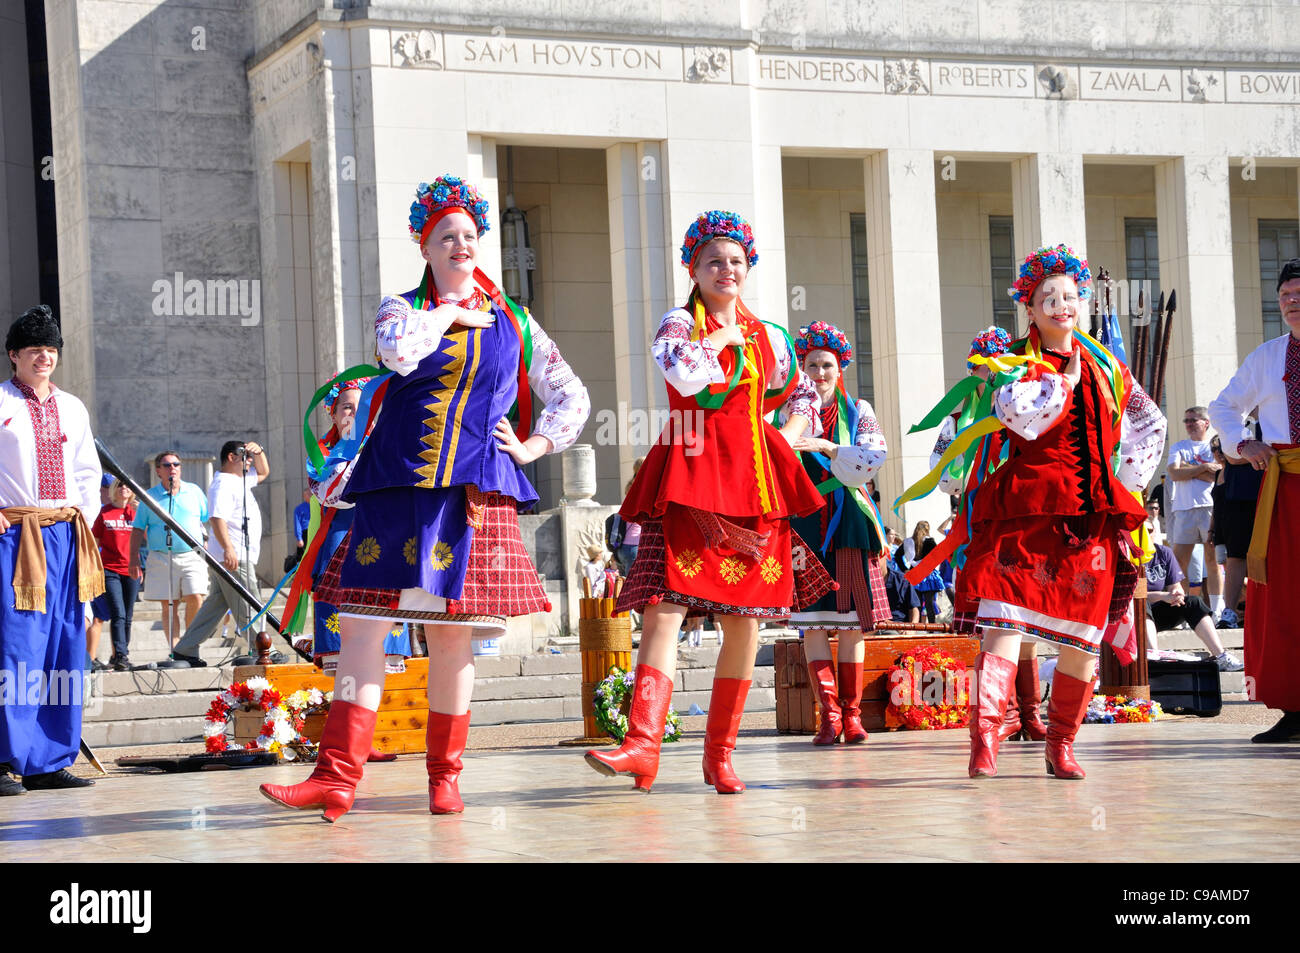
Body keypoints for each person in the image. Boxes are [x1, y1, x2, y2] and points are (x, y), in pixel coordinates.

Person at [261, 174, 590, 821]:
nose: (461, 245)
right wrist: (447, 313)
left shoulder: (517, 323)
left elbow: (570, 392)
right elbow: (395, 351)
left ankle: (444, 778)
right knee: (360, 627)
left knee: (451, 640)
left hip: (470, 494)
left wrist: (533, 445)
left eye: (469, 235)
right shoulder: (402, 309)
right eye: (447, 236)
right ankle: (335, 775)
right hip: (394, 487)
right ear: (425, 245)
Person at [586, 210, 832, 794]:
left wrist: (794, 426)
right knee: (665, 606)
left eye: (737, 261)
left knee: (746, 622)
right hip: (693, 473)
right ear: (692, 270)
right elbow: (687, 377)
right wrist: (721, 337)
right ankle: (643, 743)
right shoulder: (679, 324)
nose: (727, 270)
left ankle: (719, 754)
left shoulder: (768, 333)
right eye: (714, 261)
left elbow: (803, 389)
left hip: (751, 479)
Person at [901, 245, 1166, 779]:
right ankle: (985, 742)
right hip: (1024, 513)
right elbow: (1020, 418)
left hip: (1087, 518)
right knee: (1005, 627)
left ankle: (1061, 744)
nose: (1062, 305)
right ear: (1030, 307)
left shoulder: (1108, 366)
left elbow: (1151, 422)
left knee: (1084, 640)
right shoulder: (1014, 364)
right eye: (1049, 297)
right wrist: (1062, 381)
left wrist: (1127, 488)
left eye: (1070, 296)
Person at [0, 304, 104, 795]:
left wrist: (81, 520)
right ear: (13, 355)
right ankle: (4, 758)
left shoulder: (73, 407)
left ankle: (47, 759)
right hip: (15, 536)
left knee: (65, 644)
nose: (44, 356)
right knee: (17, 645)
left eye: (51, 349)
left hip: (66, 533)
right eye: (34, 349)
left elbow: (88, 473)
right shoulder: (1, 403)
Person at [1208, 257, 1300, 742]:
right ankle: (1293, 706)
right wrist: (1244, 444)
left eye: (1299, 295)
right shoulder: (1267, 357)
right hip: (1283, 488)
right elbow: (1223, 406)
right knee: (1282, 590)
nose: (1291, 304)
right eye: (1286, 296)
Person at [786, 321, 889, 746]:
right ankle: (827, 716)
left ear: (839, 367)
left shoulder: (856, 410)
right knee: (812, 624)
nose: (820, 373)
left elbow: (872, 457)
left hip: (846, 519)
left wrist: (827, 448)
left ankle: (852, 716)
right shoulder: (789, 413)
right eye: (811, 365)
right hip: (805, 521)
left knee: (850, 624)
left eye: (827, 365)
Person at [167, 439, 269, 667]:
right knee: (248, 599)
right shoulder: (223, 483)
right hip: (232, 554)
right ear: (232, 458)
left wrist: (258, 450)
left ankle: (186, 648)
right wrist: (228, 549)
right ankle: (259, 648)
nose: (250, 462)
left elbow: (264, 472)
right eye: (246, 457)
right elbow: (216, 518)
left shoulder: (239, 480)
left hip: (234, 553)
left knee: (215, 605)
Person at [1141, 500, 1243, 670]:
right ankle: (1154, 657)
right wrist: (1163, 596)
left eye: (1150, 530)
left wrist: (1176, 594)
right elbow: (1131, 595)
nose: (1148, 534)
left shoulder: (1163, 553)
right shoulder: (1129, 555)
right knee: (1141, 603)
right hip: (1133, 615)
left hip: (1159, 611)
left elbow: (1176, 586)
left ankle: (1221, 656)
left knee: (1193, 602)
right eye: (1143, 531)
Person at [129, 451, 210, 652]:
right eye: (167, 465)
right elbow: (138, 528)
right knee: (169, 604)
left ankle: (190, 645)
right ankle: (175, 648)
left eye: (176, 464)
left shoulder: (194, 491)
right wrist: (133, 559)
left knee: (195, 597)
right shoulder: (150, 496)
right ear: (158, 470)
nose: (172, 468)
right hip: (162, 555)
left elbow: (204, 519)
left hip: (193, 554)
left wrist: (209, 543)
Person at [1166, 406, 1224, 618]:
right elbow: (1174, 473)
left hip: (1210, 507)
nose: (1189, 424)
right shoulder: (1179, 446)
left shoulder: (1214, 446)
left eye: (1193, 420)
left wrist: (1189, 468)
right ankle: (1180, 611)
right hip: (1184, 509)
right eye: (1186, 420)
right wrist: (1204, 467)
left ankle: (1217, 611)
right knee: (1180, 564)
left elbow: (1216, 476)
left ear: (1206, 422)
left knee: (1213, 560)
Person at [1211, 419, 1262, 630]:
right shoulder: (1232, 422)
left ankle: (1264, 609)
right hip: (1239, 498)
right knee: (1236, 558)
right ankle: (1229, 612)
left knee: (1274, 556)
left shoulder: (1276, 417)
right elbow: (1233, 456)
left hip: (1271, 493)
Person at [91, 478, 139, 671]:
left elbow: (147, 536)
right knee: (118, 613)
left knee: (128, 615)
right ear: (113, 489)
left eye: (127, 485)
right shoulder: (105, 512)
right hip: (110, 568)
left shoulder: (136, 513)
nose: (124, 488)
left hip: (131, 568)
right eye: (120, 485)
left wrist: (142, 511)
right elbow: (95, 539)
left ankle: (119, 654)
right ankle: (120, 654)